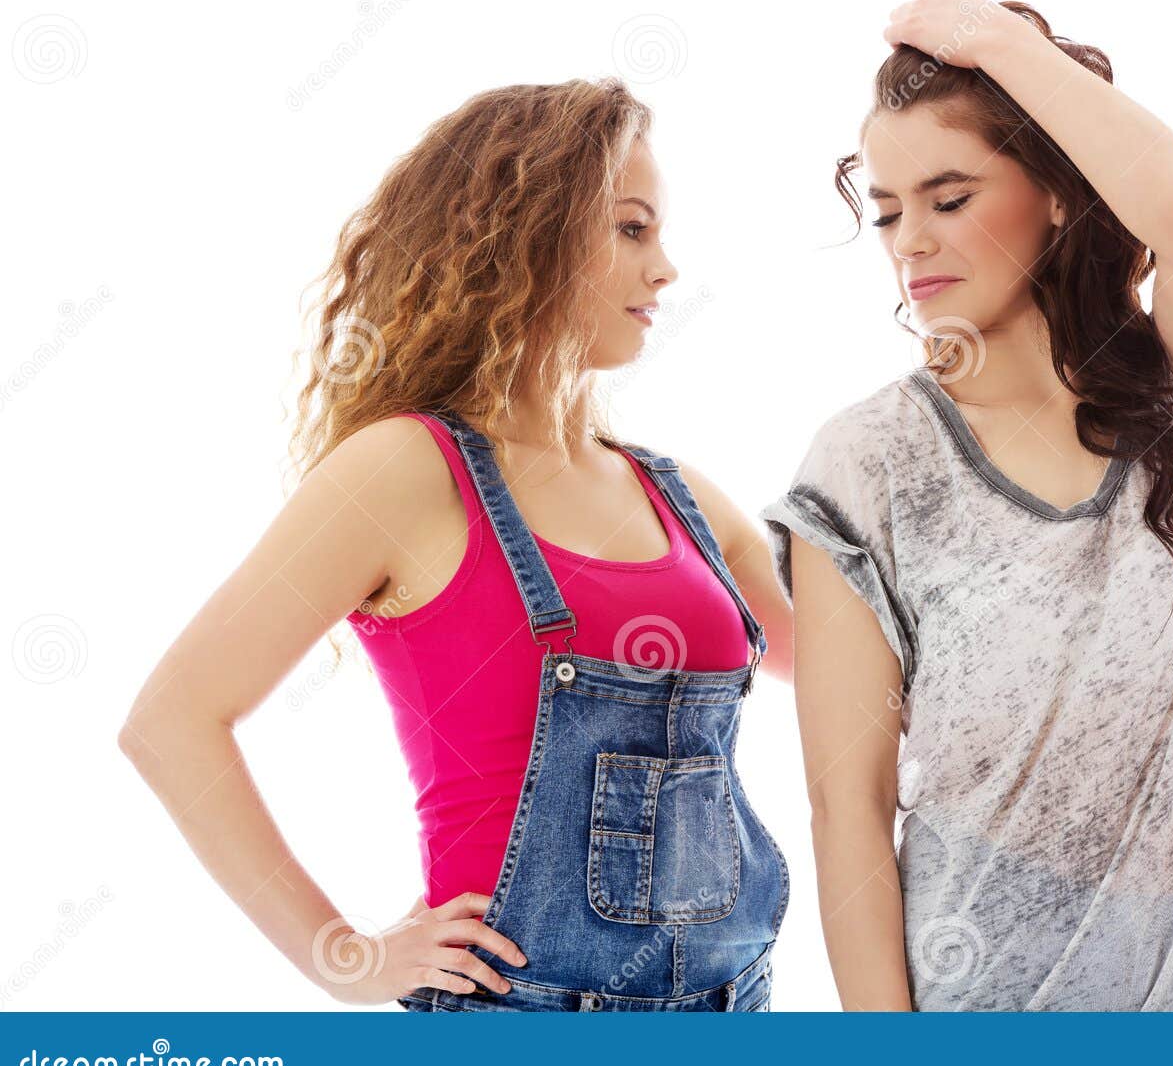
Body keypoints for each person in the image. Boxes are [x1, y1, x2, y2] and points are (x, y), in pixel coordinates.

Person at [119, 79, 791, 1013]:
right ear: (532, 238)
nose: (667, 268)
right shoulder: (404, 469)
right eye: (632, 230)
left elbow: (867, 673)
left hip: (735, 1010)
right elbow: (171, 721)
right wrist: (341, 956)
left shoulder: (679, 497)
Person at [761, 0, 1173, 1011]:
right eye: (886, 211)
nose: (910, 240)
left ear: (1059, 191)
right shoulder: (866, 462)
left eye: (950, 196)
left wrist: (994, 42)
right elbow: (849, 811)